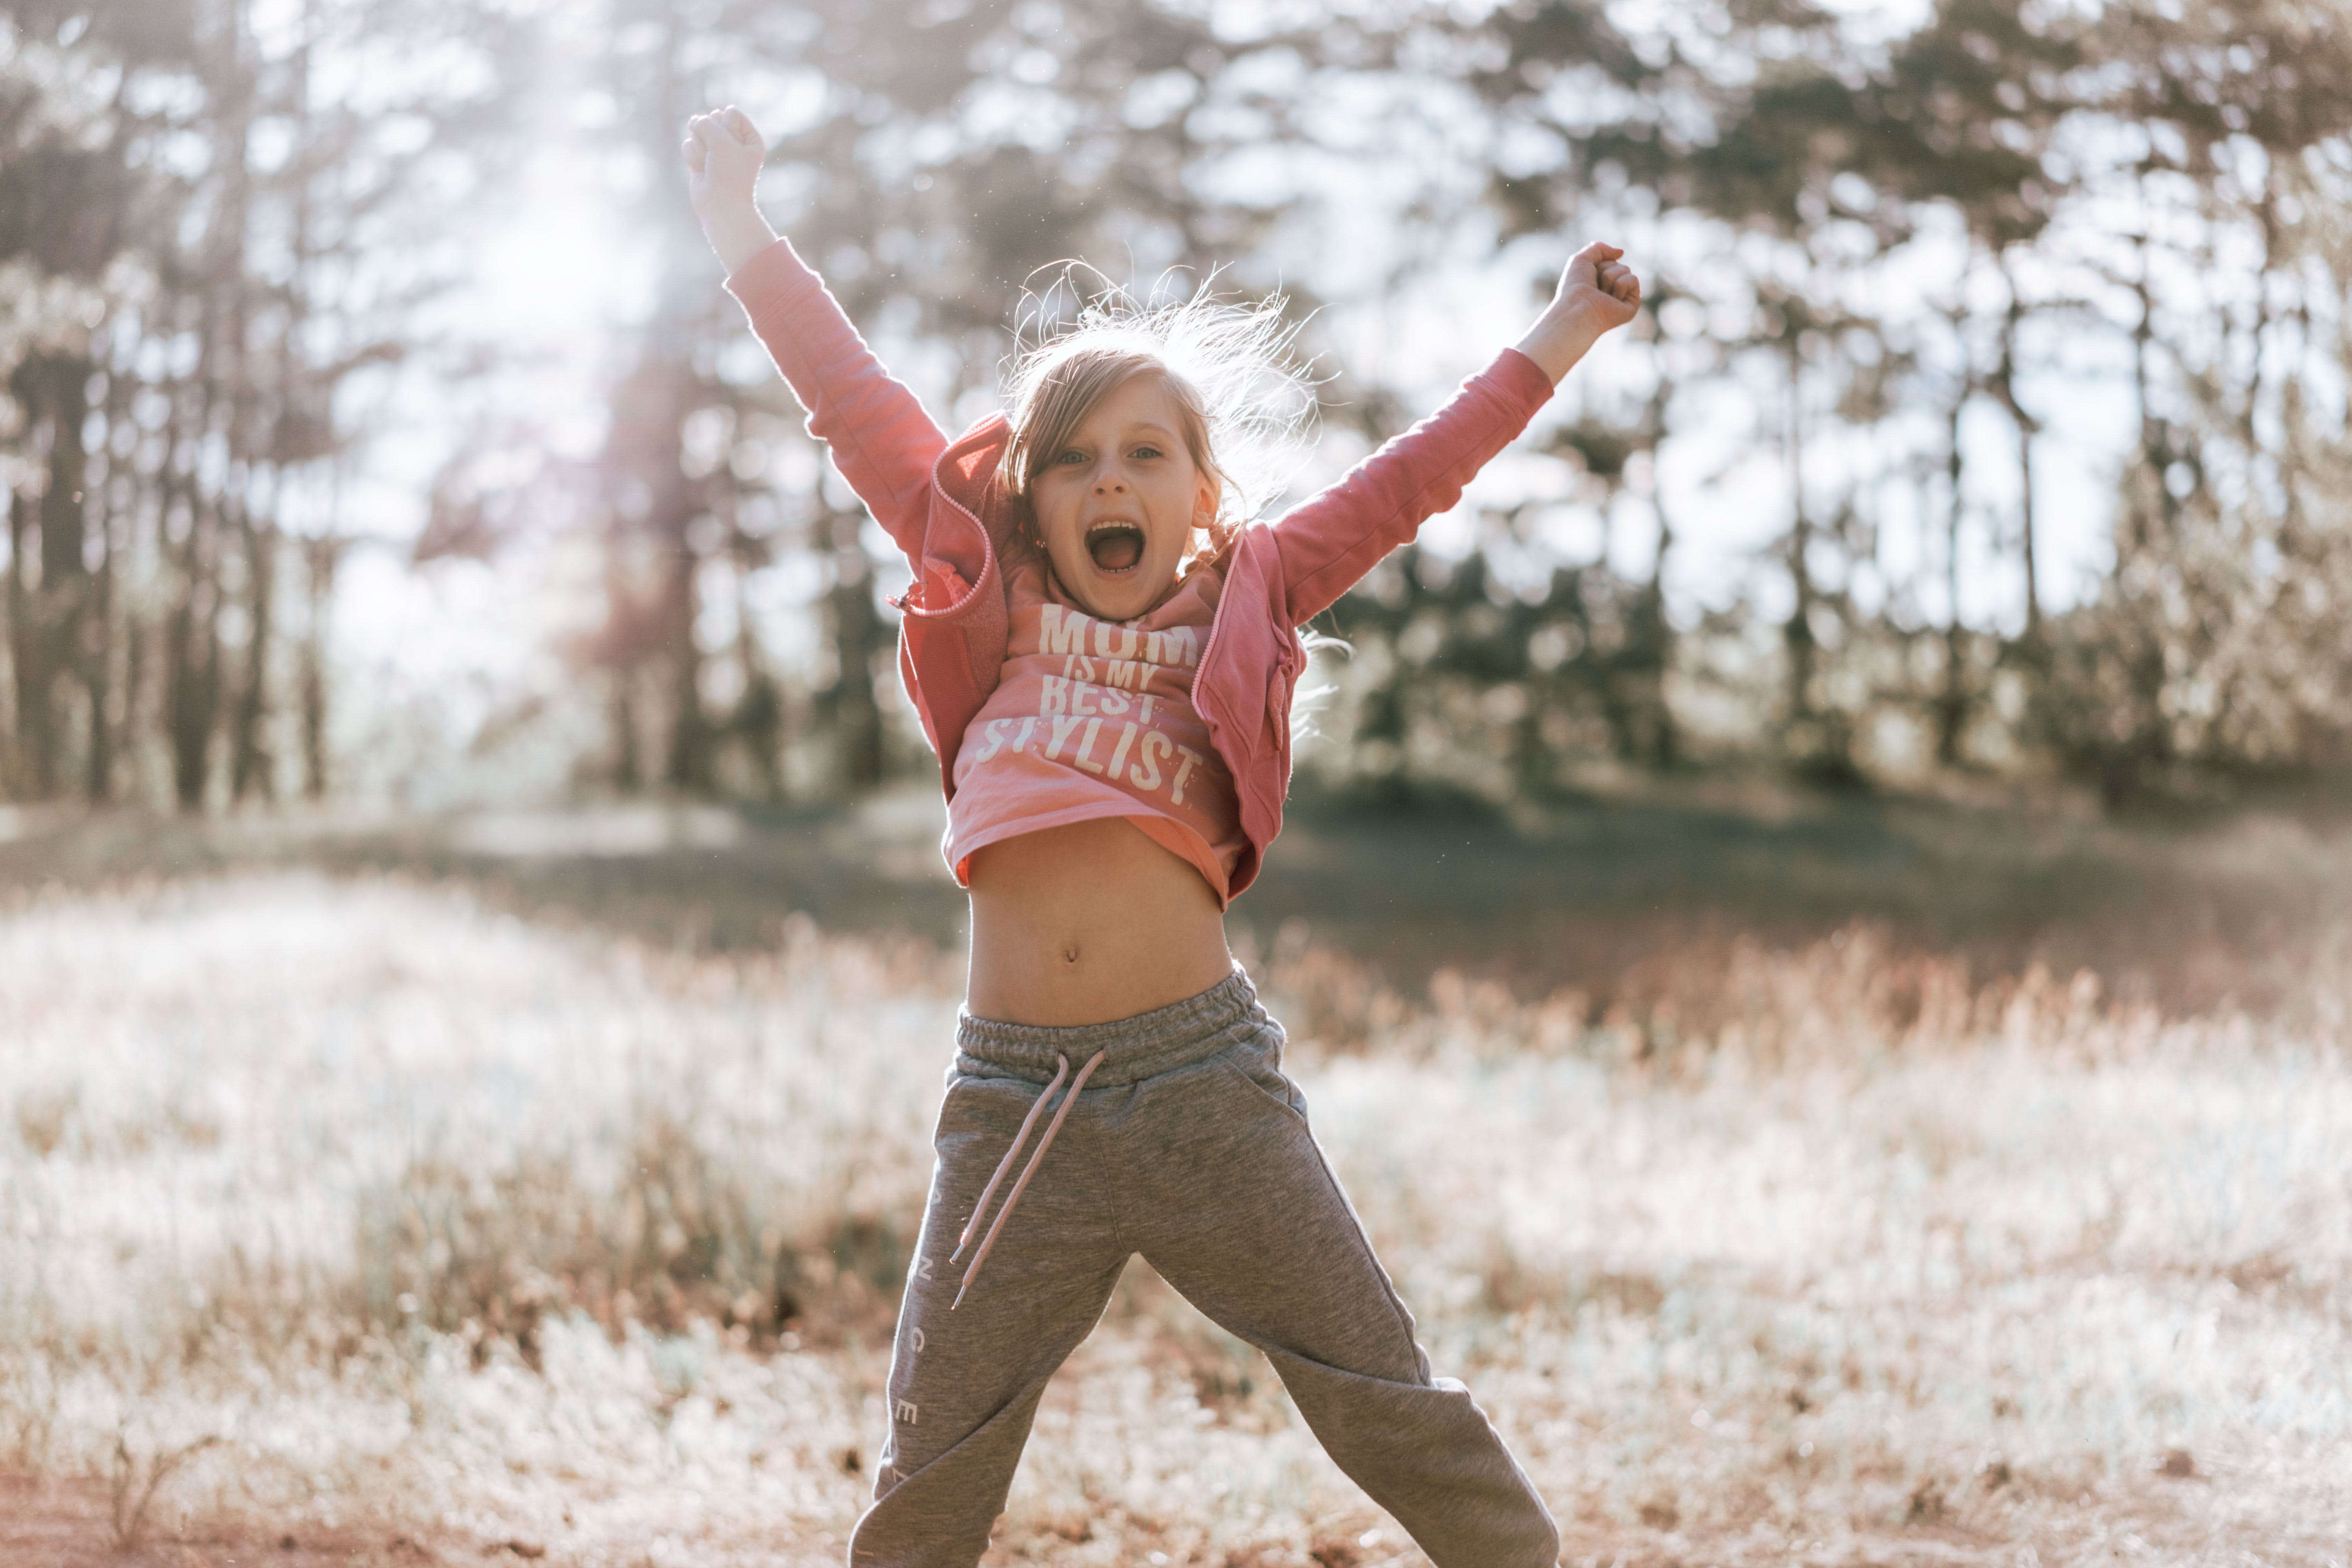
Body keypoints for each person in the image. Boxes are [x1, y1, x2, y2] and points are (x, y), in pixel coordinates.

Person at [682, 101, 1640, 1568]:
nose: (1111, 482)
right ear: (1029, 500)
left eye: (1146, 457)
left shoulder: (1249, 594)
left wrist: (1562, 331)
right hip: (1015, 1109)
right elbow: (853, 398)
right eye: (1074, 462)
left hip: (1206, 1085)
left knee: (1382, 1394)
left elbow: (1412, 480)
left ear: (1203, 501)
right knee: (933, 1461)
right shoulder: (986, 599)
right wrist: (741, 228)